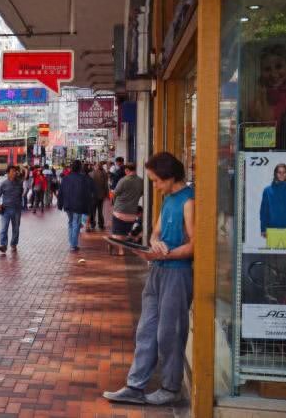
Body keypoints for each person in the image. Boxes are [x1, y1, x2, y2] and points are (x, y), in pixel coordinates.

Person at [103, 152, 194, 405]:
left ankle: (170, 386)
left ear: (170, 176)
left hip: (177, 273)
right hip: (158, 271)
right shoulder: (168, 200)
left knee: (170, 332)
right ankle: (136, 385)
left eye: (156, 181)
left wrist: (166, 254)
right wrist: (154, 245)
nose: (155, 186)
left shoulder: (189, 201)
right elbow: (155, 232)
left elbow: (195, 245)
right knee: (146, 330)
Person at [57, 160, 95, 252]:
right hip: (78, 204)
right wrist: (88, 205)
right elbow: (87, 193)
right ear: (80, 168)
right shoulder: (83, 179)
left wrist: (60, 204)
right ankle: (73, 245)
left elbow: (61, 192)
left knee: (71, 222)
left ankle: (72, 243)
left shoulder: (65, 179)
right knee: (76, 223)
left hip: (68, 204)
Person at [111, 163, 144, 255]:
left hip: (119, 211)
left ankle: (120, 250)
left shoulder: (123, 180)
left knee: (117, 233)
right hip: (132, 213)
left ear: (127, 170)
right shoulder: (141, 181)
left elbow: (115, 193)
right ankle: (124, 246)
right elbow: (142, 193)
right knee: (126, 232)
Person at [0, 165, 24, 253]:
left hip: (17, 209)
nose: (14, 173)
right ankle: (3, 245)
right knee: (4, 228)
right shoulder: (4, 184)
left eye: (15, 171)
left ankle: (13, 243)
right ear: (8, 173)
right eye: (12, 171)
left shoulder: (19, 183)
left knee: (16, 228)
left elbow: (21, 193)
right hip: (6, 210)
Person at [261, 163, 286, 238]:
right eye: (279, 172)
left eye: (284, 172)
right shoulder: (267, 191)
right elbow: (264, 211)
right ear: (275, 174)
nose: (282, 174)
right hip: (272, 230)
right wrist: (263, 229)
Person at [89, 162, 109, 231]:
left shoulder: (91, 174)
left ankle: (92, 224)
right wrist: (107, 194)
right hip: (101, 195)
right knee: (100, 210)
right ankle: (101, 224)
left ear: (96, 167)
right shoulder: (104, 174)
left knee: (92, 210)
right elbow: (106, 185)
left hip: (92, 196)